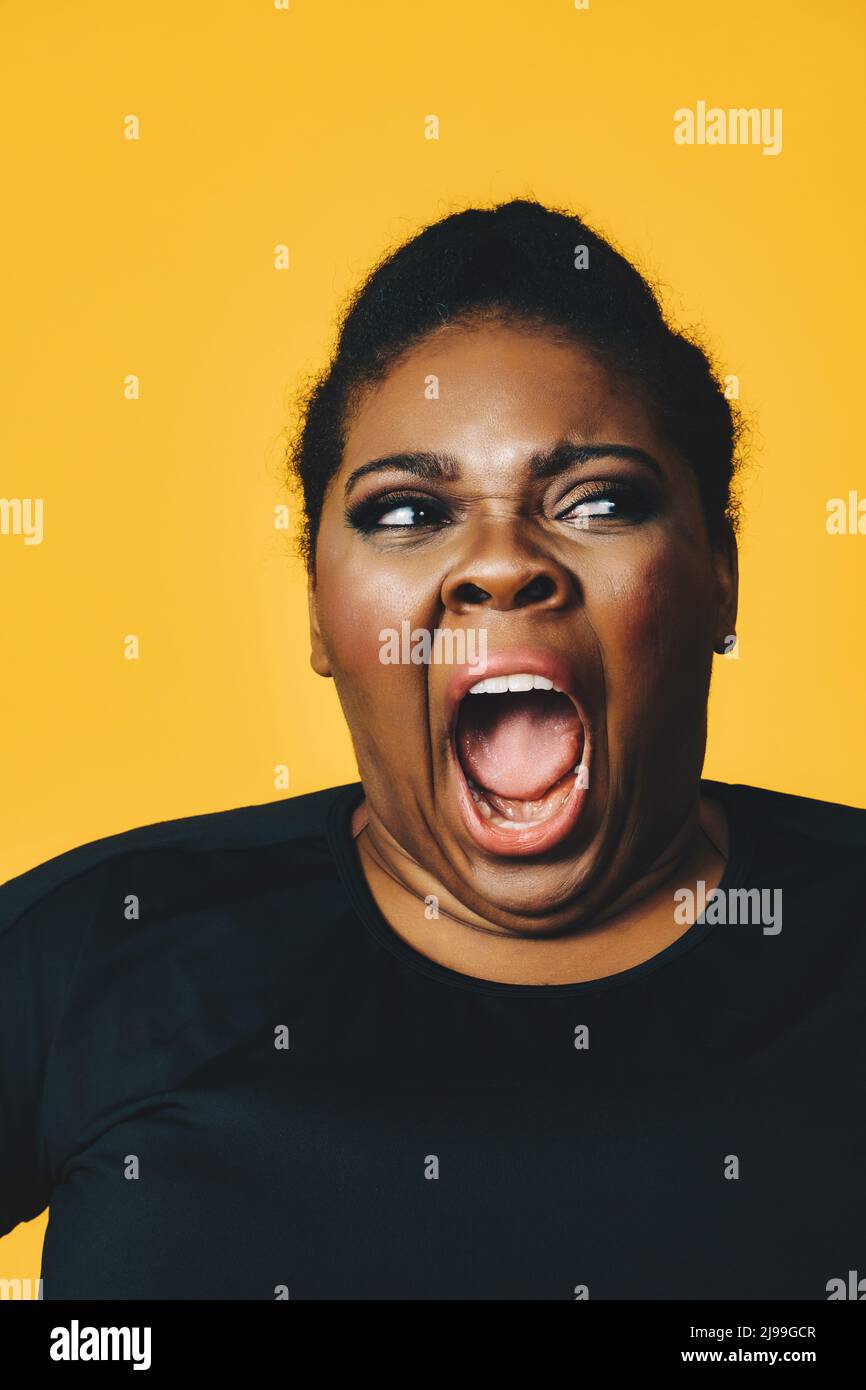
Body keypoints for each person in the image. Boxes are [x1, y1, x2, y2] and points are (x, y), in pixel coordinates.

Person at [1, 199, 863, 1300]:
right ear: (318, 608)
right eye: (407, 513)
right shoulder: (98, 961)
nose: (500, 565)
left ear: (718, 576)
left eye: (596, 499)